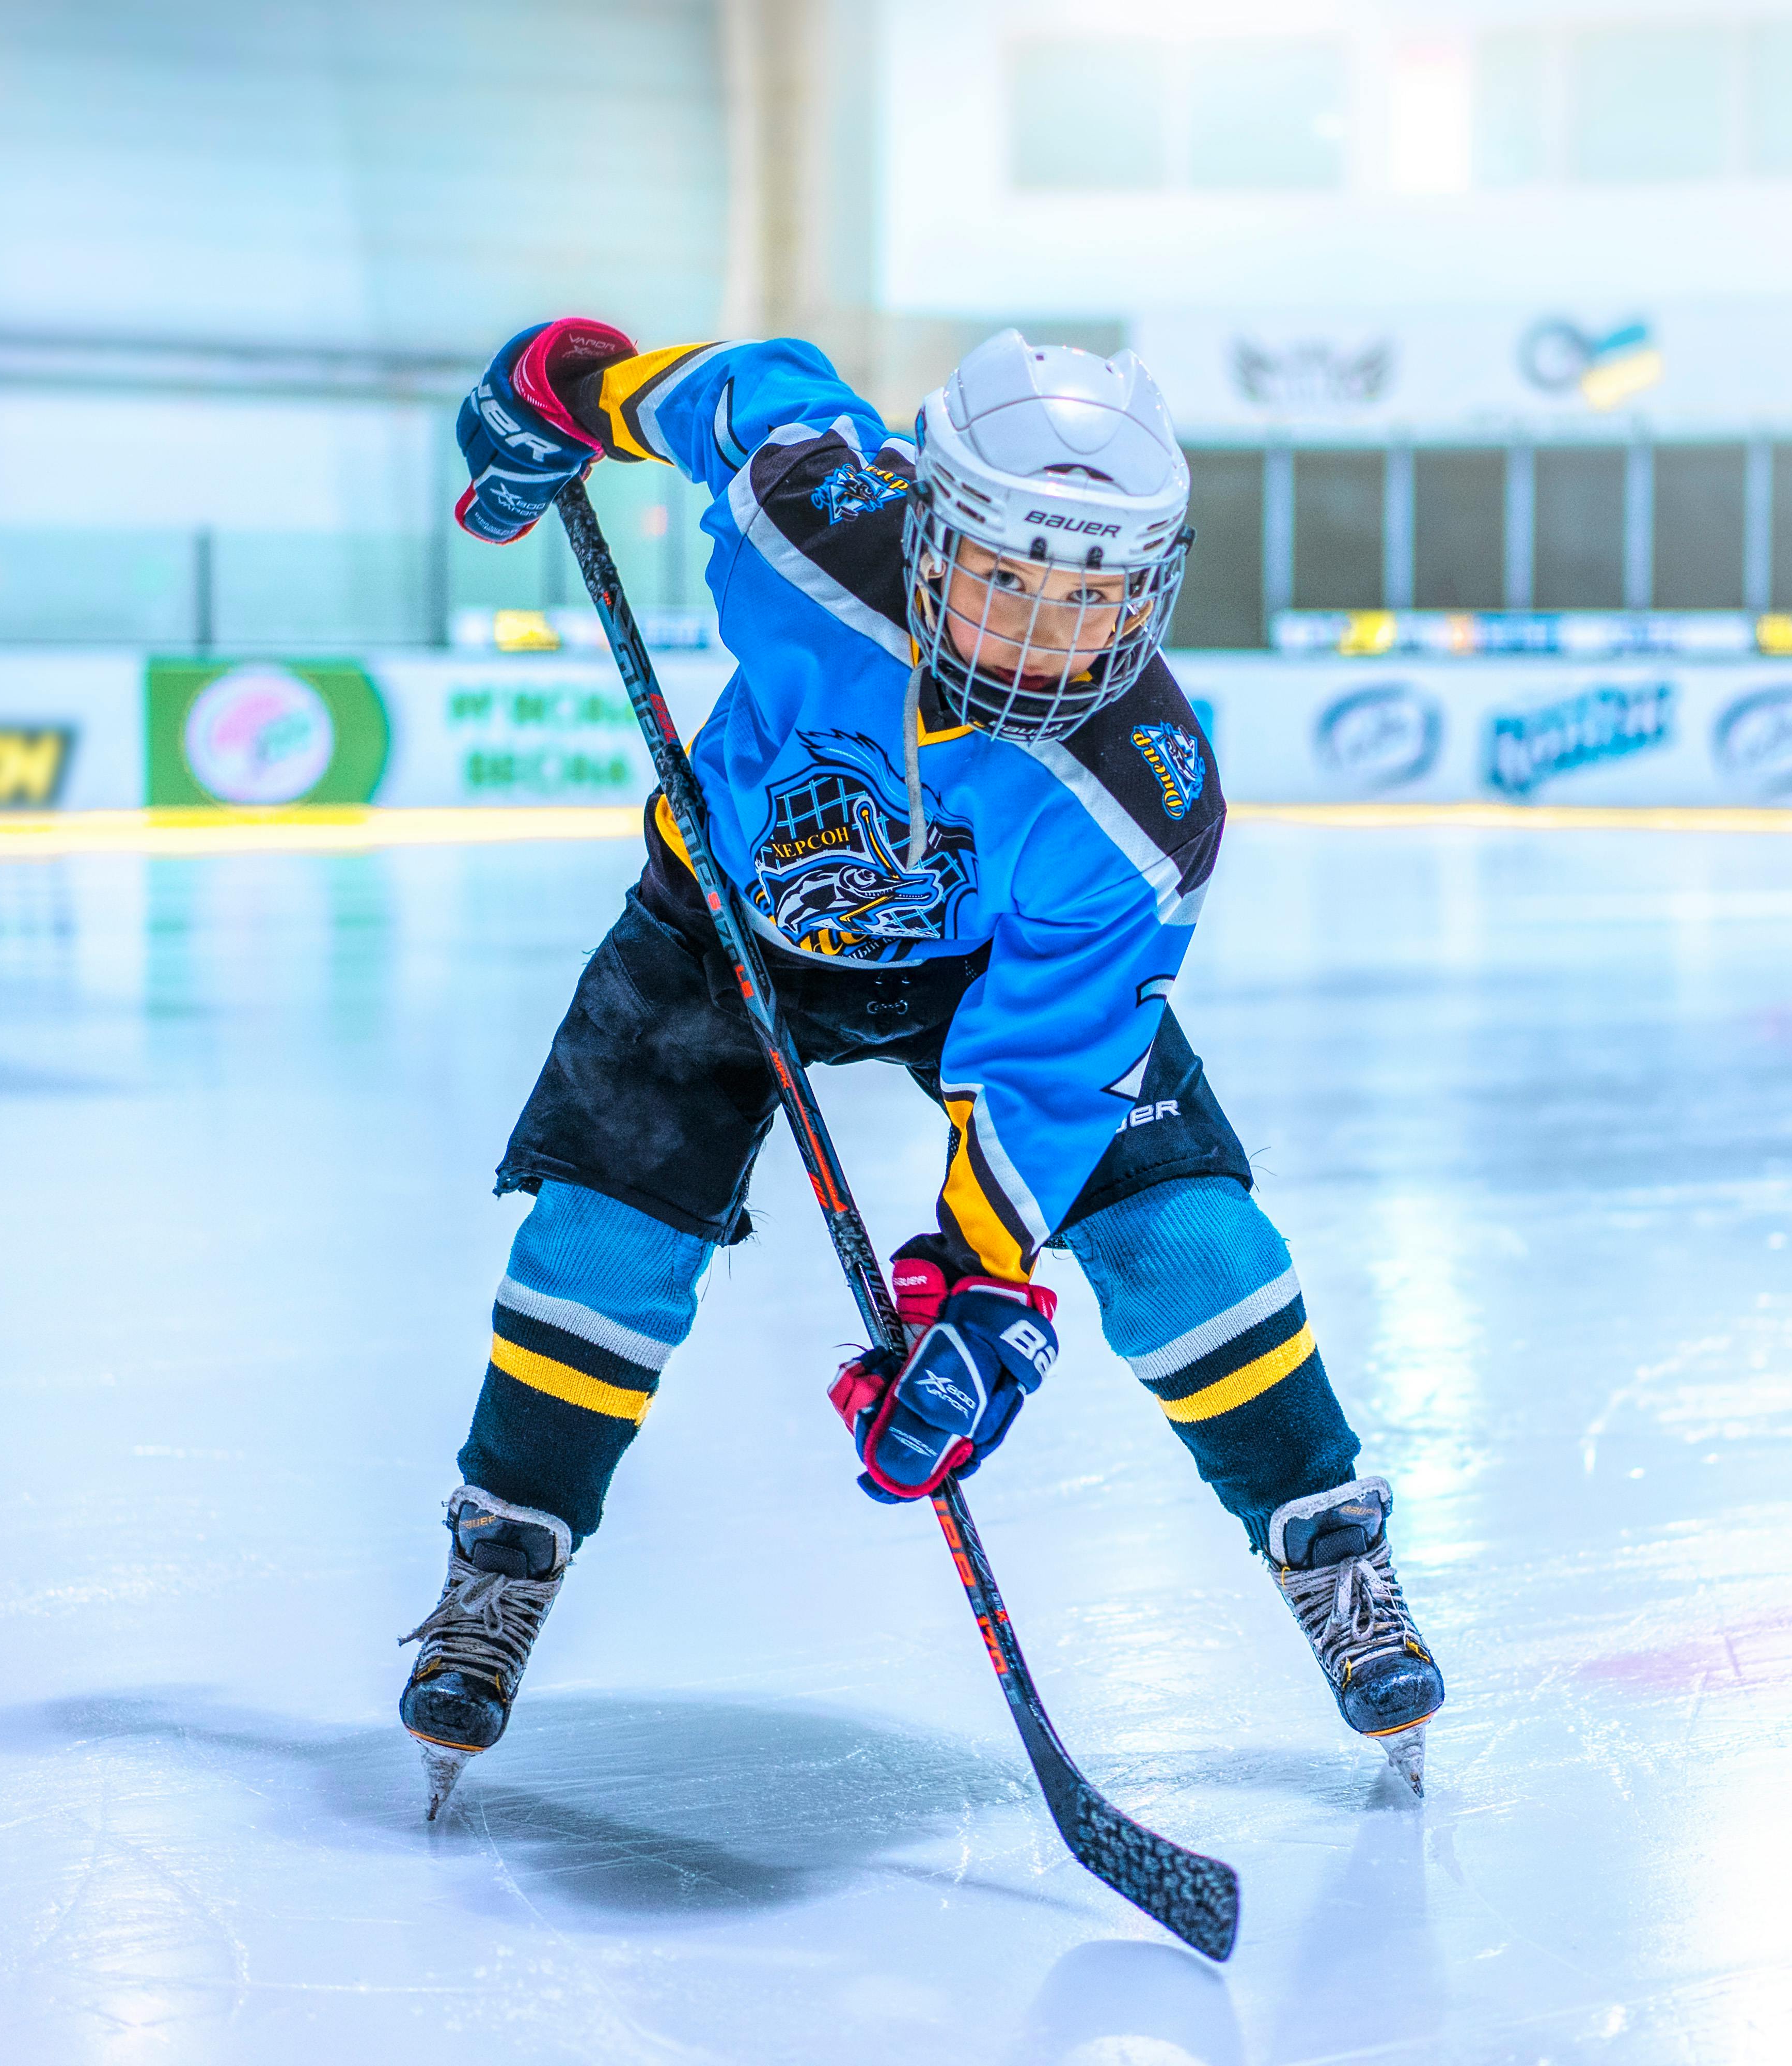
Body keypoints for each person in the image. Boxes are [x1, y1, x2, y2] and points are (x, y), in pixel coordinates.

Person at [396, 321, 1445, 1809]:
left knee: (1184, 1234)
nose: (1042, 632)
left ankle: (1328, 1542)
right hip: (732, 921)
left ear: (1149, 588)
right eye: (1008, 577)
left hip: (981, 973)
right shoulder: (813, 537)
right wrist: (579, 382)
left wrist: (968, 1284)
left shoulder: (1146, 794)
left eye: (1090, 597)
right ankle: (504, 1554)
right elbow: (745, 397)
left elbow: (1051, 1069)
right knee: (601, 1234)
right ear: (928, 528)